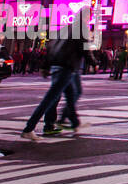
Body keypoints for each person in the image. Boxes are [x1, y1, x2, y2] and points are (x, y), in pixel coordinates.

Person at [21, 9, 87, 139]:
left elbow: (51, 47)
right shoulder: (81, 30)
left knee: (69, 95)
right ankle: (29, 128)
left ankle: (71, 123)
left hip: (58, 67)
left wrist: (46, 66)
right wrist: (94, 61)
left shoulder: (64, 29)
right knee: (50, 99)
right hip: (66, 68)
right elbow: (84, 49)